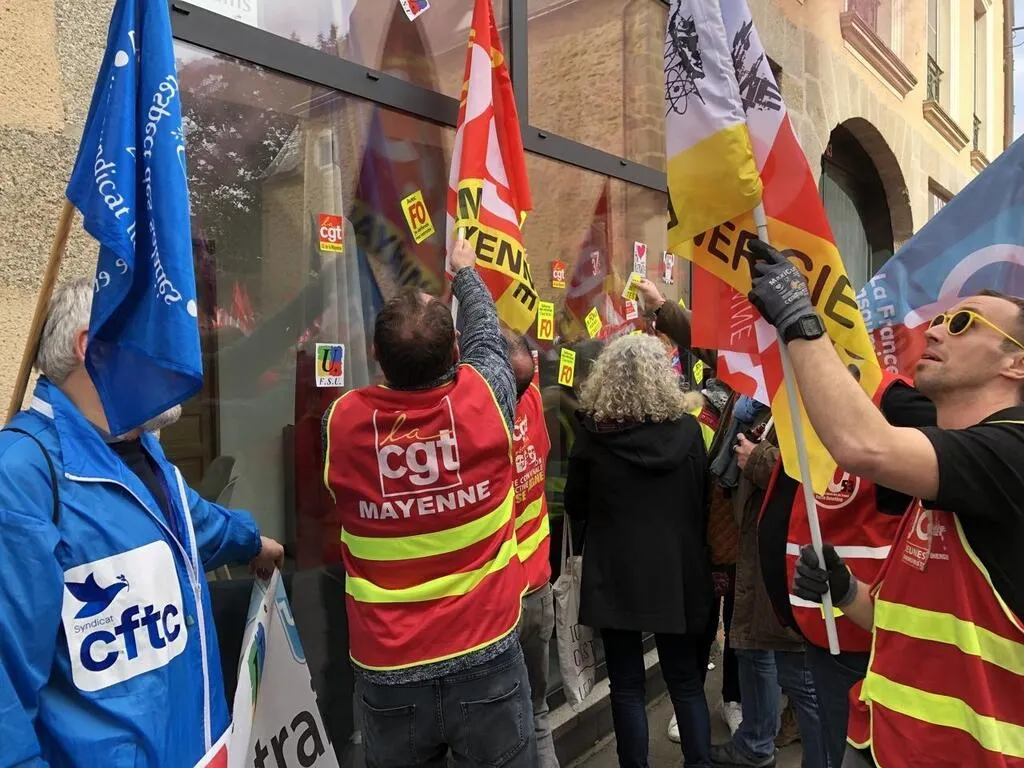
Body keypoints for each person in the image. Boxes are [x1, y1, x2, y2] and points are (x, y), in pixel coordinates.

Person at [747, 239, 1024, 768]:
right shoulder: (939, 480)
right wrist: (845, 589)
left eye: (964, 323)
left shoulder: (1013, 453)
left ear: (1016, 364)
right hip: (880, 741)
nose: (937, 330)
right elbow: (895, 623)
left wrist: (799, 319)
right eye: (941, 319)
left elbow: (863, 445)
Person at [0, 279, 284, 766]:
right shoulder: (20, 478)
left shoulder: (141, 448)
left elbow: (193, 523)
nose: (180, 357)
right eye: (160, 337)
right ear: (94, 349)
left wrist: (253, 541)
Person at [323, 238, 536, 767]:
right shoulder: (486, 399)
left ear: (377, 357)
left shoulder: (345, 423)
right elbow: (490, 338)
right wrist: (465, 272)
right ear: (456, 352)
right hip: (486, 655)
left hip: (388, 667)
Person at [755, 367, 935, 767]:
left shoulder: (893, 400)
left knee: (840, 746)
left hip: (858, 632)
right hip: (823, 619)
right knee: (825, 737)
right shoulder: (815, 396)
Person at [565, 333, 713, 768]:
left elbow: (575, 506)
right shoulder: (688, 432)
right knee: (685, 682)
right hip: (677, 573)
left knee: (626, 686)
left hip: (616, 574)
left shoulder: (592, 436)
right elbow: (702, 498)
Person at [637, 277, 743, 741]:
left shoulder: (777, 381)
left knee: (741, 619)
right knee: (702, 617)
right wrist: (662, 309)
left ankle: (735, 697)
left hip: (744, 521)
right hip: (701, 520)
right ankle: (692, 699)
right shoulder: (714, 390)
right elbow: (710, 347)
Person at [712, 410, 827, 768]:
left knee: (800, 673)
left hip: (787, 547)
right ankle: (756, 741)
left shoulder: (816, 387)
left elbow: (822, 467)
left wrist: (759, 458)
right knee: (753, 646)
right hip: (758, 543)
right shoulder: (764, 393)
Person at [505, 329, 559, 768]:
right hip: (537, 586)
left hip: (500, 599)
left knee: (500, 727)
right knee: (538, 713)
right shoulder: (533, 400)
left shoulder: (476, 427)